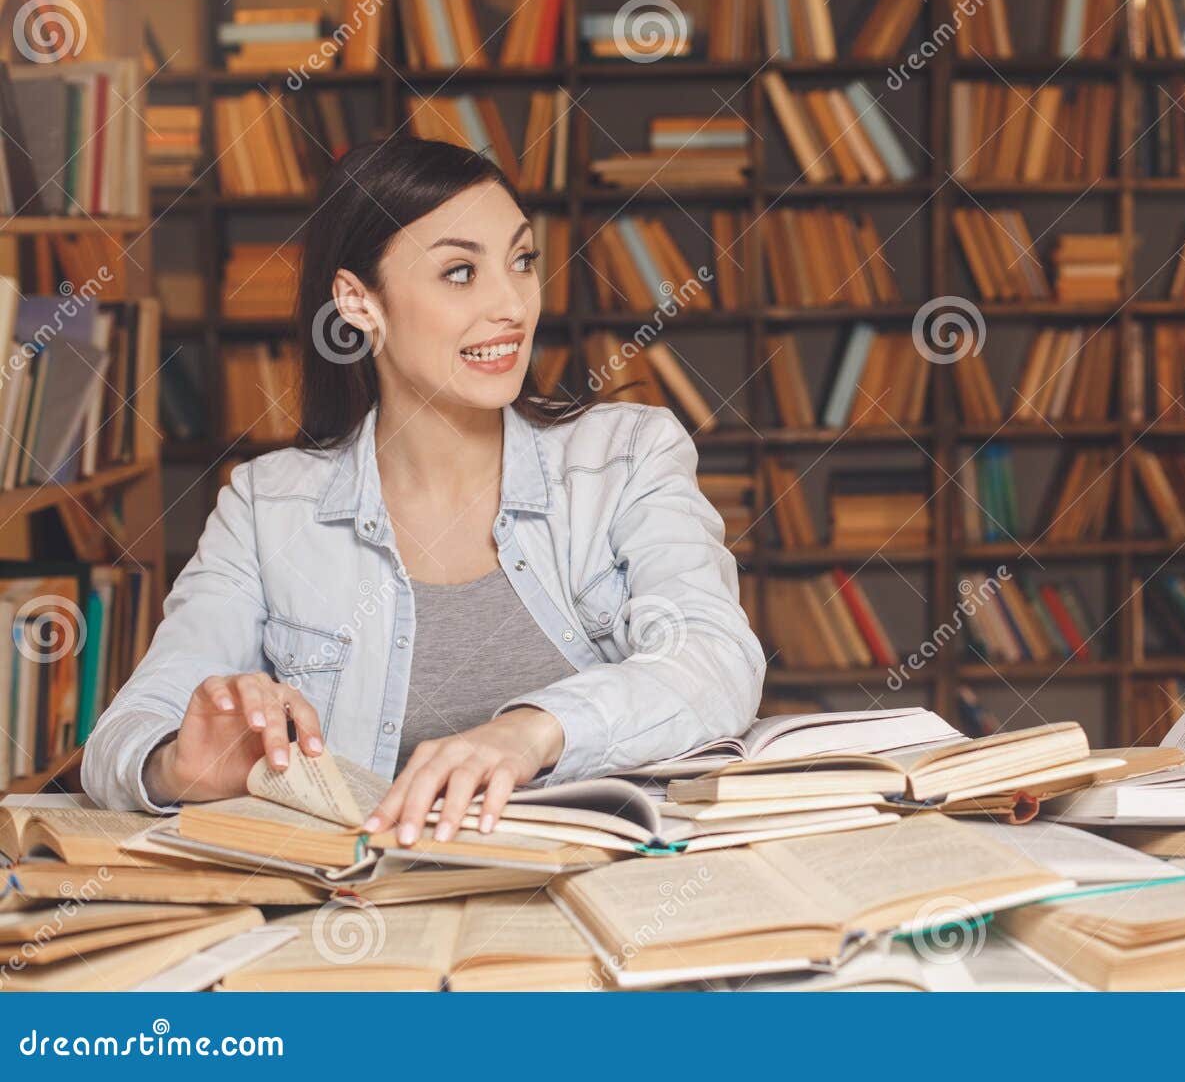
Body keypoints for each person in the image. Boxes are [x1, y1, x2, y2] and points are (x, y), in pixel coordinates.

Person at [82, 137, 764, 844]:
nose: (512, 305)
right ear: (358, 301)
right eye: (460, 272)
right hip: (370, 920)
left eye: (522, 260)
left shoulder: (623, 457)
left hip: (605, 897)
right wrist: (172, 766)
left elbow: (716, 658)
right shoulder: (265, 508)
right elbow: (123, 736)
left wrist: (532, 732)